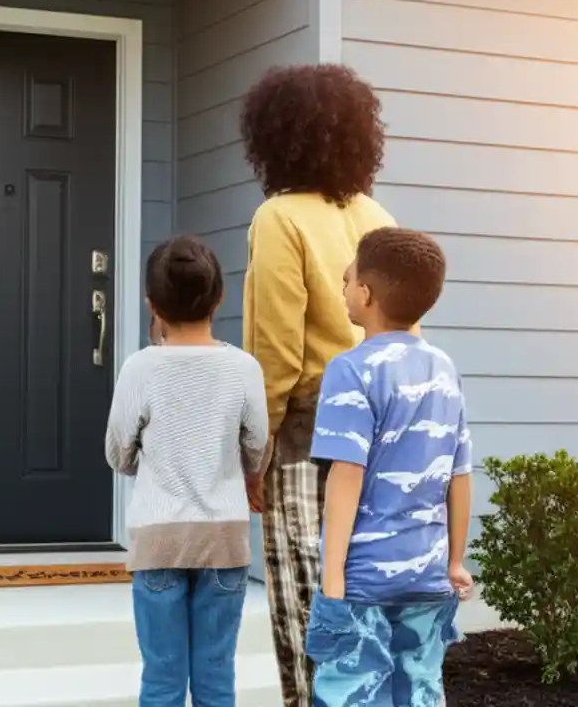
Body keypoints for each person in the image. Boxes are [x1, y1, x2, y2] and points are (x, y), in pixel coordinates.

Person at [239, 63, 395, 706]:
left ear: (275, 137)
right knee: (367, 606)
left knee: (311, 612)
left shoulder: (279, 218)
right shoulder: (379, 216)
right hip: (383, 441)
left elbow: (275, 346)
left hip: (309, 440)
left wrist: (258, 444)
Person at [305, 227, 473, 707]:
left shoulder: (351, 369)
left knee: (351, 695)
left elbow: (346, 475)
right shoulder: (444, 368)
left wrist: (332, 580)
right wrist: (454, 562)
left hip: (364, 580)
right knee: (419, 693)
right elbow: (459, 475)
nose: (343, 282)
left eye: (349, 276)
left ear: (366, 293)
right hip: (427, 576)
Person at [105, 235, 269, 707]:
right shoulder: (244, 368)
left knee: (162, 678)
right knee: (216, 677)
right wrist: (244, 474)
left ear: (150, 303)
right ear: (219, 299)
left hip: (159, 543)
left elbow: (118, 452)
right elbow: (257, 447)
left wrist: (145, 461)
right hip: (224, 541)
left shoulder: (140, 368)